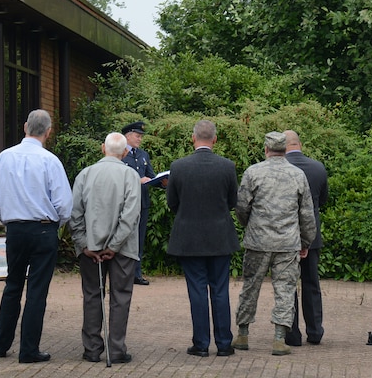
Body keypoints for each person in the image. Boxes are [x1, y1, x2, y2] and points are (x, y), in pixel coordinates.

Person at [0, 109, 73, 364]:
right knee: (37, 291)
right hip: (43, 229)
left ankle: (1, 343)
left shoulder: (4, 157)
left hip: (15, 229)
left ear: (25, 127)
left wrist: (10, 220)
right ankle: (29, 349)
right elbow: (64, 204)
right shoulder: (50, 161)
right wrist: (56, 225)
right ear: (48, 132)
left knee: (12, 285)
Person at [234, 131, 316, 356]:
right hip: (288, 243)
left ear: (266, 149)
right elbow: (307, 214)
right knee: (285, 290)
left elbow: (242, 207)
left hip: (258, 241)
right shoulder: (298, 175)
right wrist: (306, 241)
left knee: (250, 287)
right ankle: (279, 338)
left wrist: (248, 225)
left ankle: (242, 334)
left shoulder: (253, 172)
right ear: (286, 150)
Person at [166, 119, 240, 357]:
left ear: (193, 138)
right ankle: (224, 343)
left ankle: (200, 344)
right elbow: (232, 202)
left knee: (197, 290)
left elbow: (172, 203)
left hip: (189, 238)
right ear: (215, 139)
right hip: (220, 236)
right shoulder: (227, 166)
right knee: (220, 290)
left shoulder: (178, 166)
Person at [68, 132, 142, 363]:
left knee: (92, 295)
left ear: (103, 148)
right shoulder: (130, 175)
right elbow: (130, 215)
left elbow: (74, 213)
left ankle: (92, 349)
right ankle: (117, 349)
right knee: (120, 297)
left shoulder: (85, 174)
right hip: (123, 250)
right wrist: (115, 244)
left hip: (91, 247)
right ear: (125, 152)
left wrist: (83, 243)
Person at [283, 129, 329, 346]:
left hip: (286, 234)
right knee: (311, 283)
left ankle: (292, 334)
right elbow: (323, 200)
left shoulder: (281, 169)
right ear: (300, 144)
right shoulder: (318, 168)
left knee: (288, 283)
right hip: (312, 235)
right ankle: (315, 331)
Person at [121, 120, 157, 285]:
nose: (140, 139)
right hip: (126, 203)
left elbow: (150, 175)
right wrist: (138, 180)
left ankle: (137, 273)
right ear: (127, 136)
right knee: (124, 237)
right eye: (137, 135)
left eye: (141, 136)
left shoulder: (143, 155)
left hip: (142, 203)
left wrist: (162, 182)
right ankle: (123, 273)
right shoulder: (120, 153)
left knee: (139, 239)